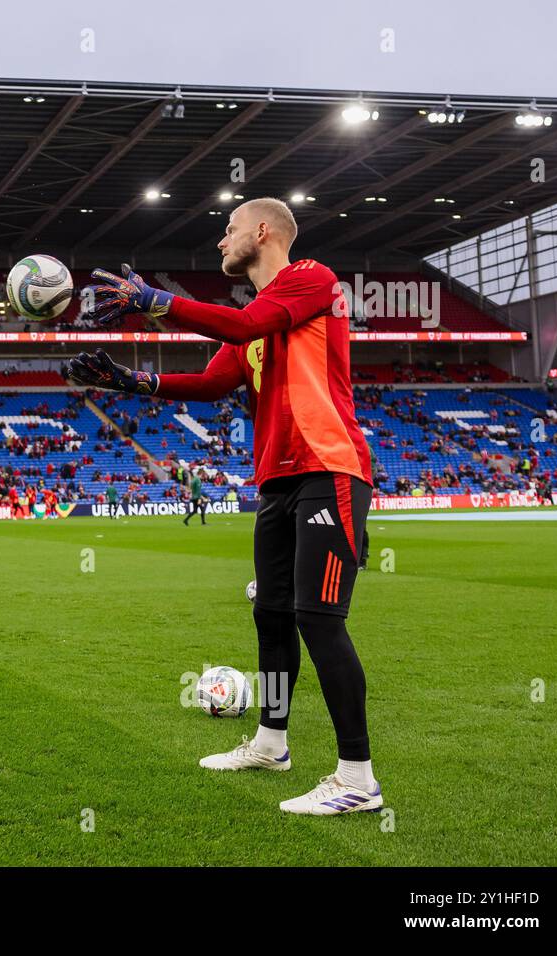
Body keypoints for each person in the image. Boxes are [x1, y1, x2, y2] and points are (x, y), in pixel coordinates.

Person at [67, 196, 379, 817]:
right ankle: (271, 743)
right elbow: (213, 383)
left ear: (263, 231)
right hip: (278, 480)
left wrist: (157, 301)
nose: (220, 242)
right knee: (271, 615)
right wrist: (133, 382)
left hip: (329, 468)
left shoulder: (311, 280)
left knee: (319, 620)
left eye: (228, 230)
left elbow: (240, 329)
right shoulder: (259, 315)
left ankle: (358, 778)